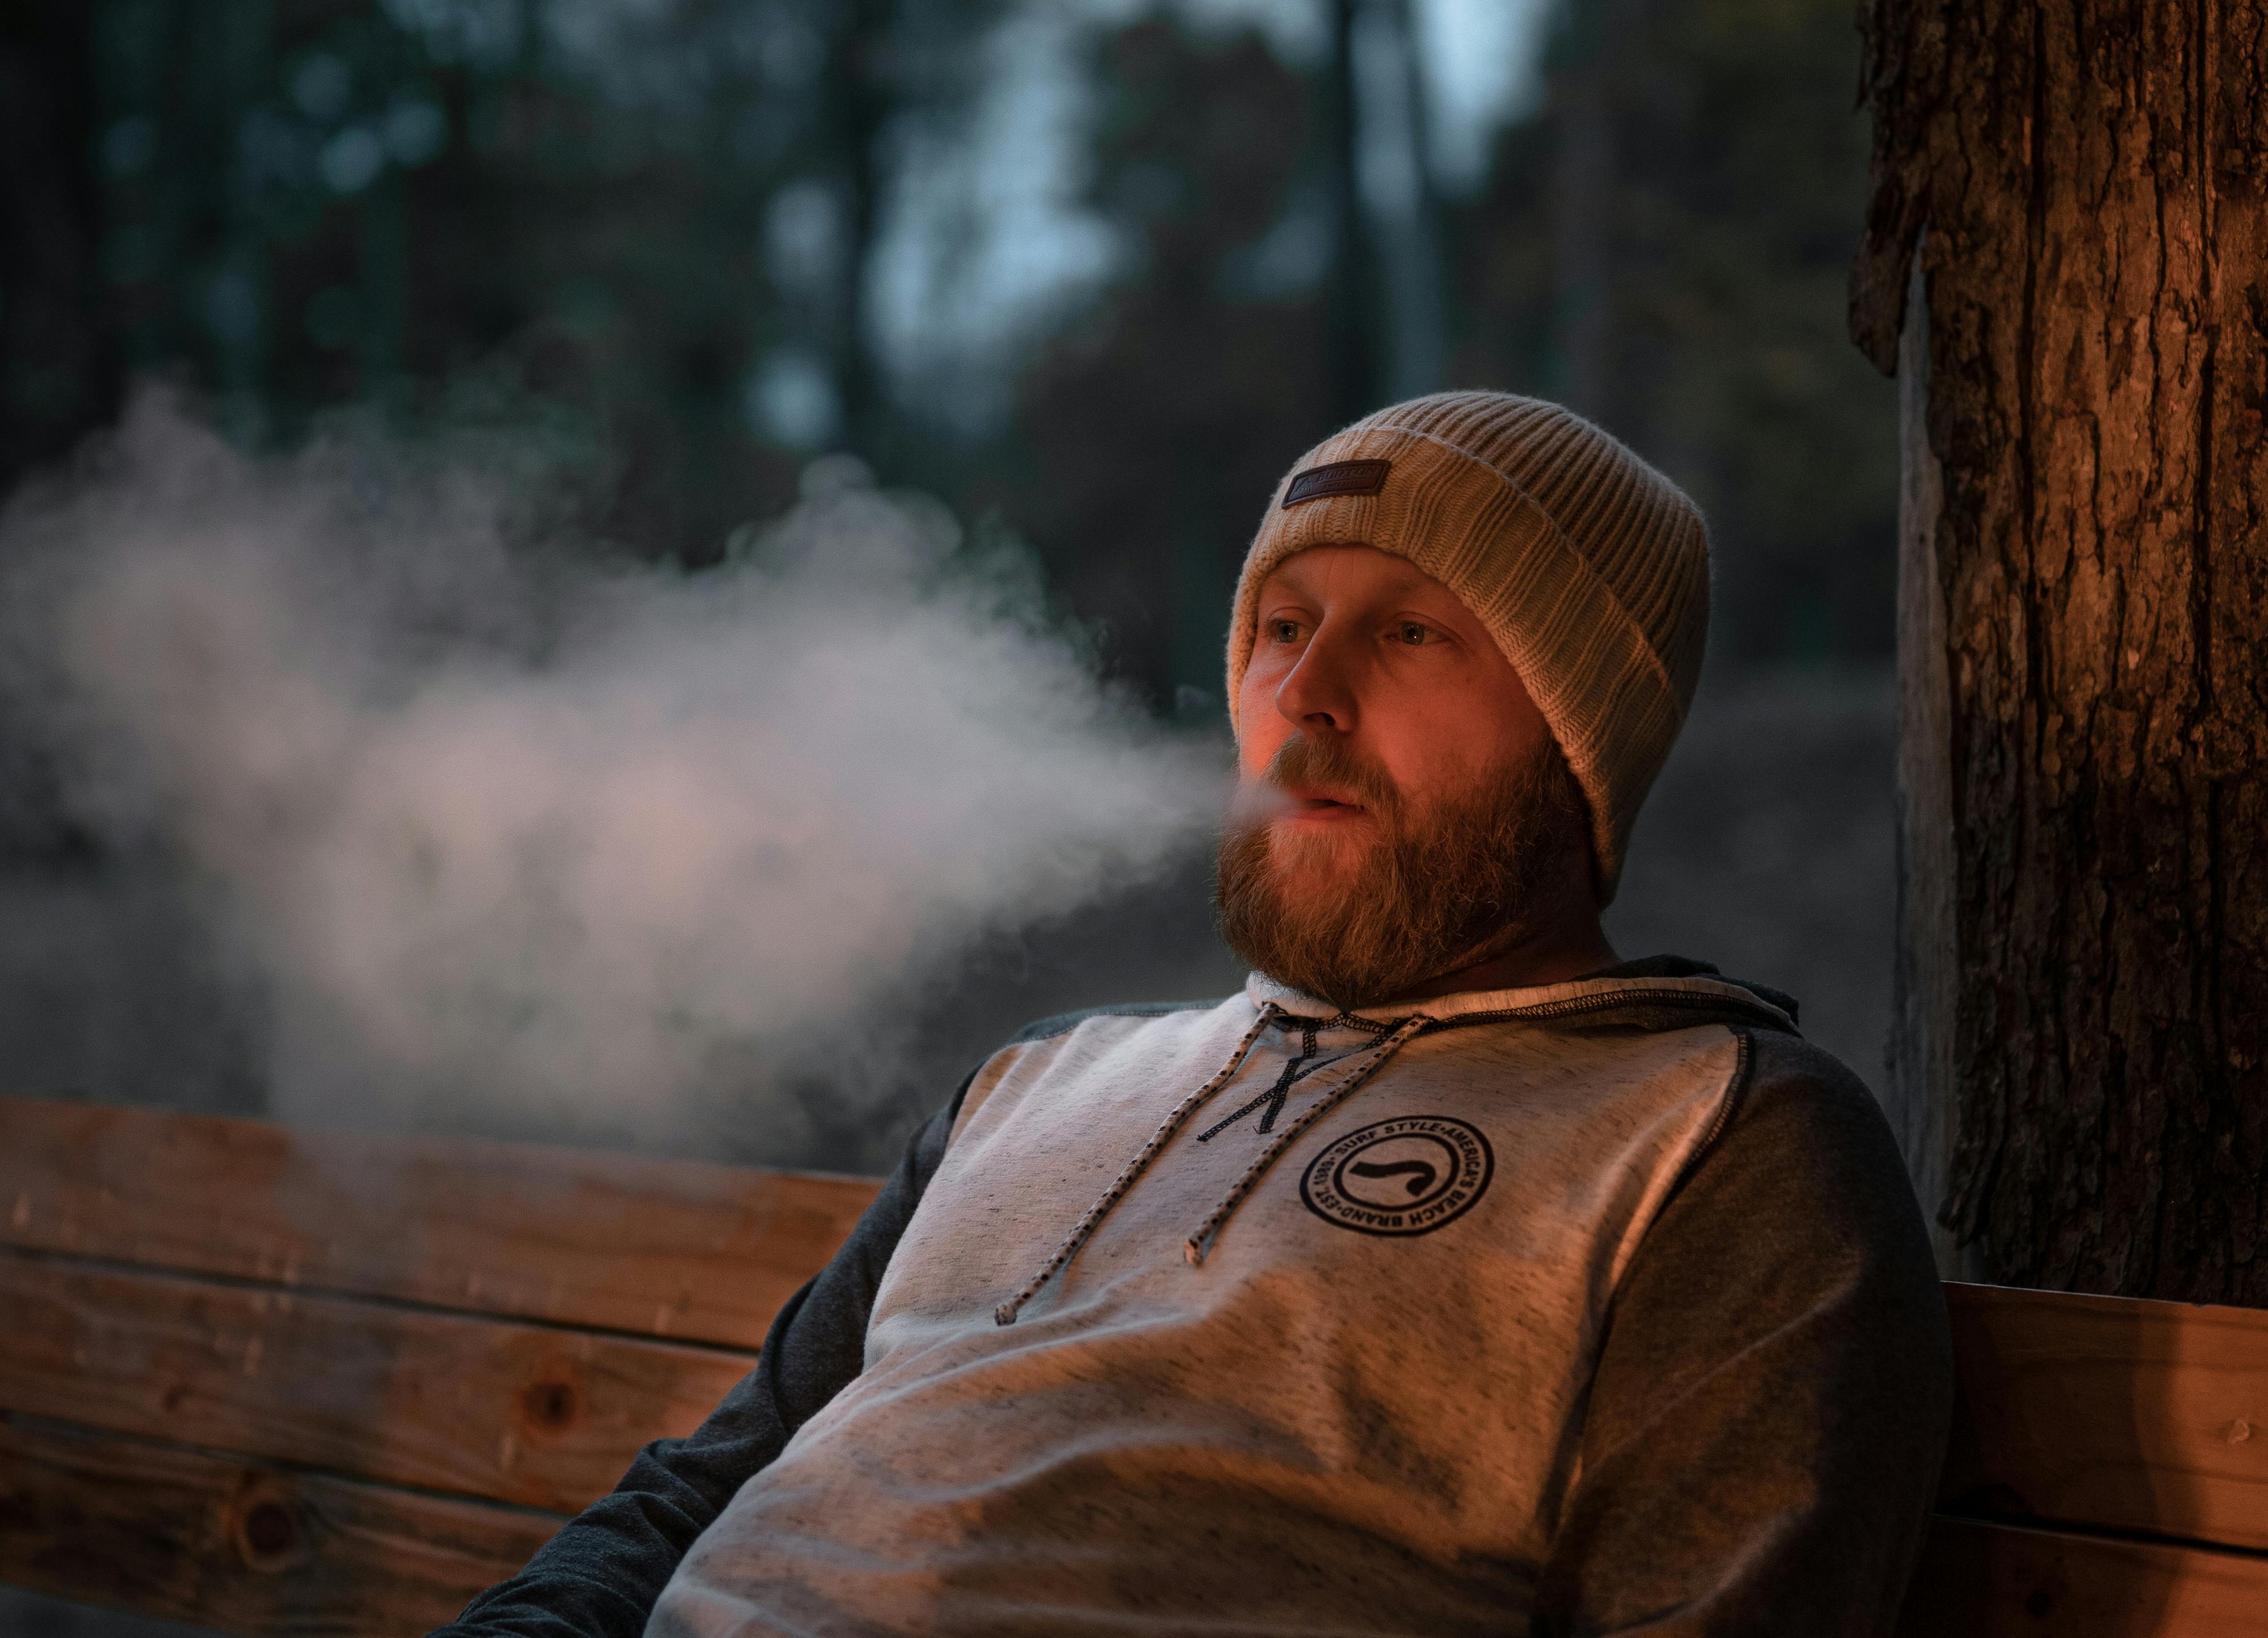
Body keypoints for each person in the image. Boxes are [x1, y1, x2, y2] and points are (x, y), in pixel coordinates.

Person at [435, 391, 1952, 1638]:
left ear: (1580, 736)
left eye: (1412, 632)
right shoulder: (1030, 1088)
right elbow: (699, 1496)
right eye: (1282, 625)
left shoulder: (1720, 1139)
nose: (1308, 697)